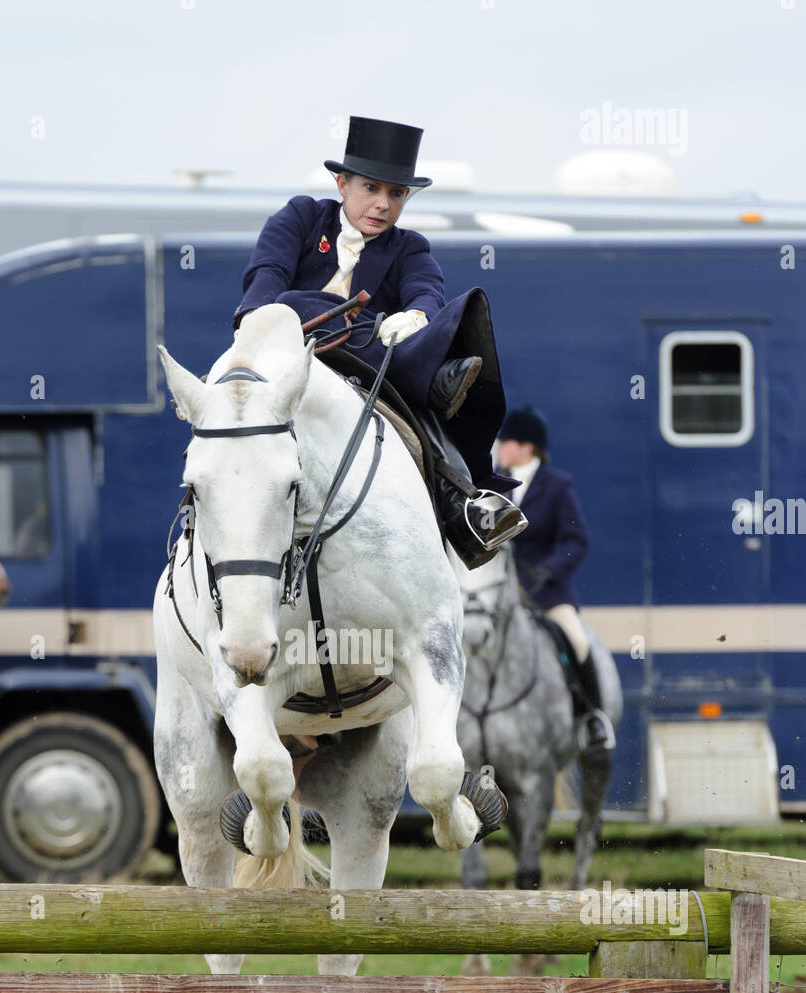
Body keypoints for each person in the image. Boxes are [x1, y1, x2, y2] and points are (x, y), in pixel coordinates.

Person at [233, 115, 527, 570]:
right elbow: (268, 276)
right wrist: (264, 318)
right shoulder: (299, 217)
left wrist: (414, 317)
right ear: (342, 183)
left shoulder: (410, 247)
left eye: (396, 193)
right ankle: (429, 375)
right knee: (294, 302)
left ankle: (464, 501)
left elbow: (428, 291)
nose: (384, 205)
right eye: (371, 188)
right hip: (288, 354)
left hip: (370, 372)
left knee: (454, 320)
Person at [496, 405, 616, 751]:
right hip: (501, 596)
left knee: (577, 640)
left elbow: (577, 541)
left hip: (547, 593)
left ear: (526, 447)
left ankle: (594, 717)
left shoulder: (557, 486)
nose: (499, 447)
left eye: (506, 441)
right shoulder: (495, 486)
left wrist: (548, 570)